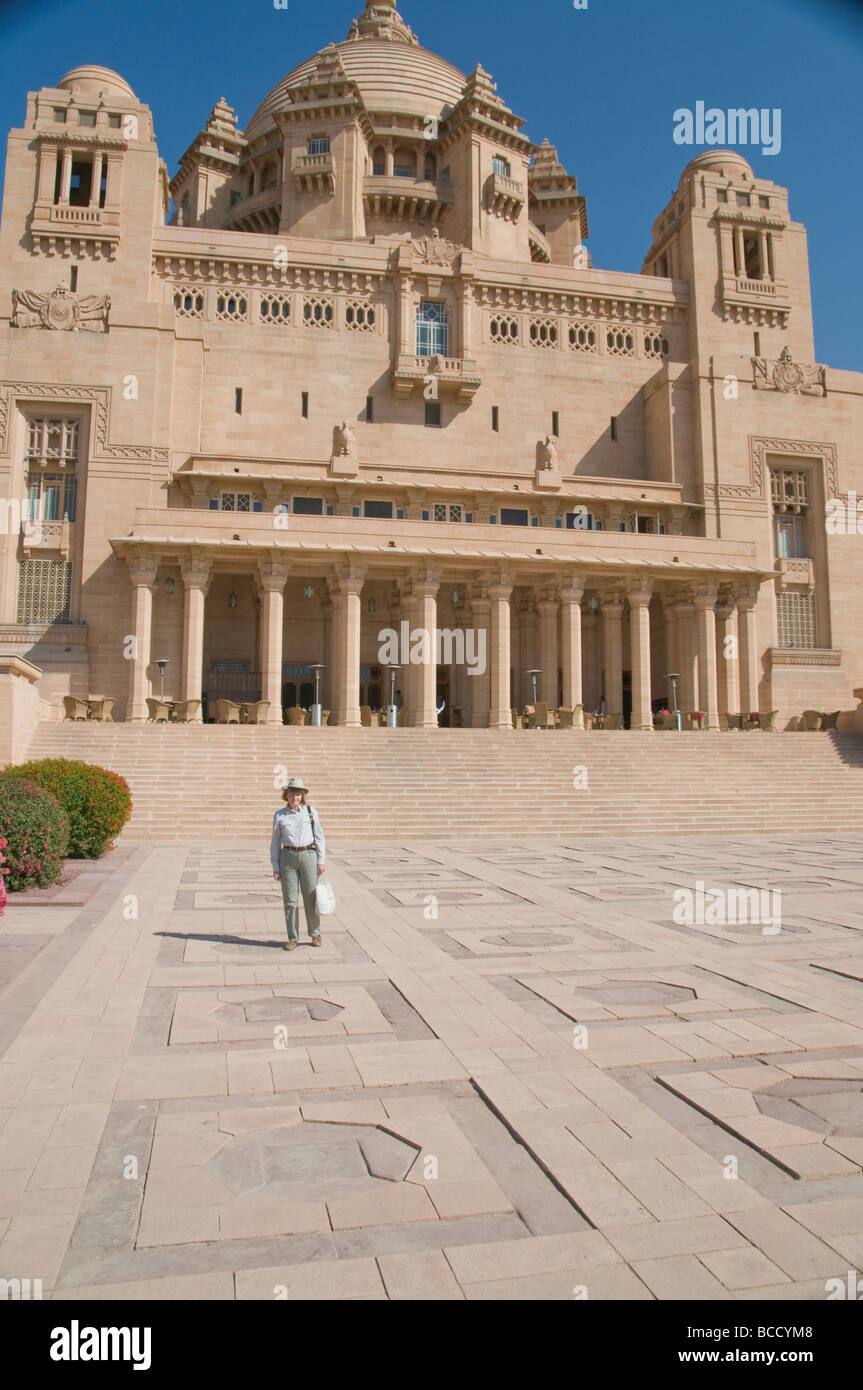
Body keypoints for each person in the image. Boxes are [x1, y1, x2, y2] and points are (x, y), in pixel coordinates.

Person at [271, 776, 326, 950]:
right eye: (292, 794)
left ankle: (315, 933)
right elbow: (275, 842)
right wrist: (276, 865)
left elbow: (319, 837)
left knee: (311, 898)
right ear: (286, 795)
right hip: (288, 857)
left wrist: (321, 860)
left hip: (308, 855)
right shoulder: (279, 815)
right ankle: (293, 937)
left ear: (302, 796)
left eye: (299, 795)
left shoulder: (310, 812)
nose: (295, 798)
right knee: (290, 901)